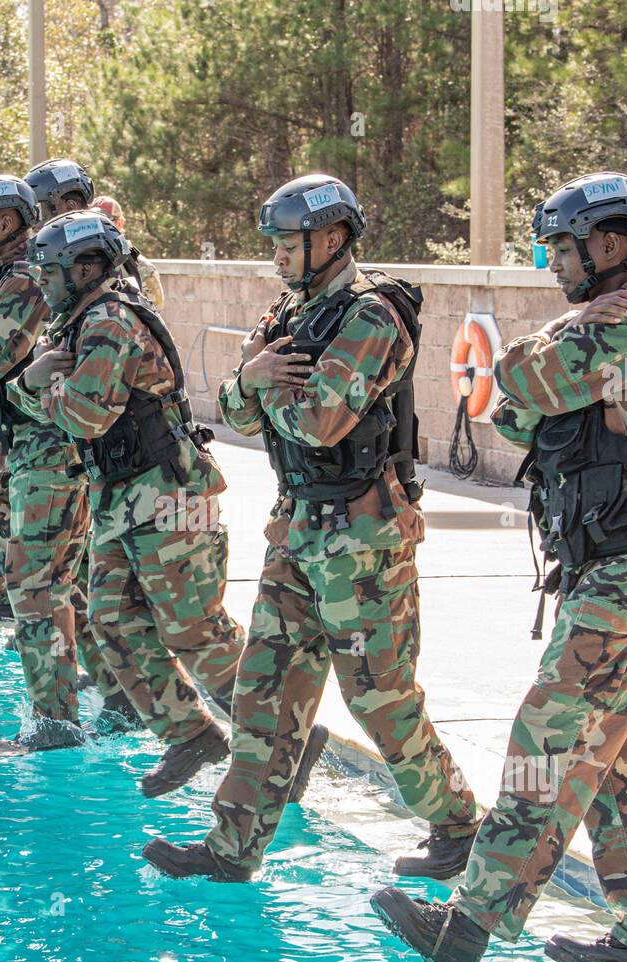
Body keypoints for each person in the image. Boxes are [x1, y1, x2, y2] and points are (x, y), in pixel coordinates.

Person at [371, 172, 627, 962]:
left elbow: (521, 380)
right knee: (625, 757)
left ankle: (467, 926)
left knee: (548, 743)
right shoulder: (607, 323)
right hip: (620, 565)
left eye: (561, 248)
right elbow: (512, 408)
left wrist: (551, 355)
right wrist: (554, 356)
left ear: (609, 245)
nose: (552, 264)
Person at [142, 175, 472, 882]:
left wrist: (261, 389)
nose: (278, 257)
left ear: (331, 239)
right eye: (275, 245)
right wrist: (257, 382)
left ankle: (457, 822)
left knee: (380, 700)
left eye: (288, 243)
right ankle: (232, 848)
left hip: (363, 541)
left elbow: (323, 423)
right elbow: (232, 408)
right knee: (264, 690)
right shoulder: (288, 314)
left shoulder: (373, 316)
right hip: (297, 533)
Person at [14, 210, 256, 794]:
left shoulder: (109, 323)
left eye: (50, 270)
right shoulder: (77, 321)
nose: (41, 281)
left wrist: (38, 382)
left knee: (195, 631)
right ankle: (191, 735)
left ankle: (279, 738)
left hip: (169, 499)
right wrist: (35, 382)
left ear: (87, 267)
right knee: (113, 622)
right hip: (124, 501)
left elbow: (84, 416)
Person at [0, 176, 128, 749]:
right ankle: (115, 693)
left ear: (7, 223)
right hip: (20, 437)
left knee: (35, 582)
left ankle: (57, 722)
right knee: (43, 571)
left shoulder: (23, 281)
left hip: (51, 444)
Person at [92, 195, 166, 311]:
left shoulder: (141, 268)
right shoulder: (83, 263)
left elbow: (155, 310)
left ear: (120, 223)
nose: (98, 227)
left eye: (104, 221)